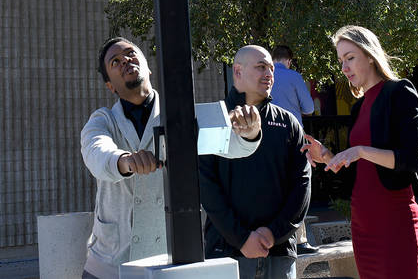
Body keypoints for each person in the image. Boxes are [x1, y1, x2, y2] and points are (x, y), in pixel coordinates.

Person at [80, 37, 263, 279]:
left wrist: (250, 132)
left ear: (148, 66)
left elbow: (233, 145)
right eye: (115, 62)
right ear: (110, 86)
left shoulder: (182, 115)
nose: (126, 61)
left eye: (131, 54)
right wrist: (125, 161)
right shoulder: (102, 120)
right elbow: (96, 152)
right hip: (108, 267)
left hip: (165, 265)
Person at [301, 25, 418, 279]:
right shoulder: (358, 108)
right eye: (340, 61)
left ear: (370, 55)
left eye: (350, 58)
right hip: (362, 223)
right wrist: (325, 155)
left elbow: (413, 159)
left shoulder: (399, 92)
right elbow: (357, 172)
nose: (344, 68)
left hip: (394, 219)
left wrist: (361, 150)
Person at [199, 45, 311, 278]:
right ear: (237, 71)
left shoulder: (288, 123)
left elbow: (302, 184)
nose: (269, 73)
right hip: (226, 252)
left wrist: (273, 233)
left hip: (278, 252)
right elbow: (206, 188)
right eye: (261, 67)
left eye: (271, 67)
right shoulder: (214, 120)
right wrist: (241, 238)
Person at [270, 46, 315, 125]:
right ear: (289, 61)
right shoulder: (295, 76)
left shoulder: (262, 76)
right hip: (292, 129)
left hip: (267, 129)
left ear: (272, 60)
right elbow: (309, 108)